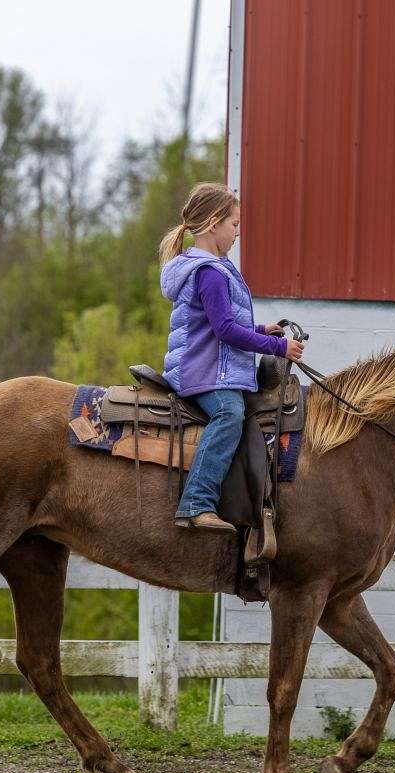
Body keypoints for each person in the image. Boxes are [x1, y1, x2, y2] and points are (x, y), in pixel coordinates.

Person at [158, 182, 306, 533]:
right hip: (203, 371)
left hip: (211, 366)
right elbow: (224, 330)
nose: (238, 232)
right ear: (213, 224)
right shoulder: (209, 272)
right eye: (234, 224)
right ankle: (196, 503)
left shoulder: (213, 268)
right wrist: (278, 348)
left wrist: (261, 329)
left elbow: (219, 323)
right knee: (230, 413)